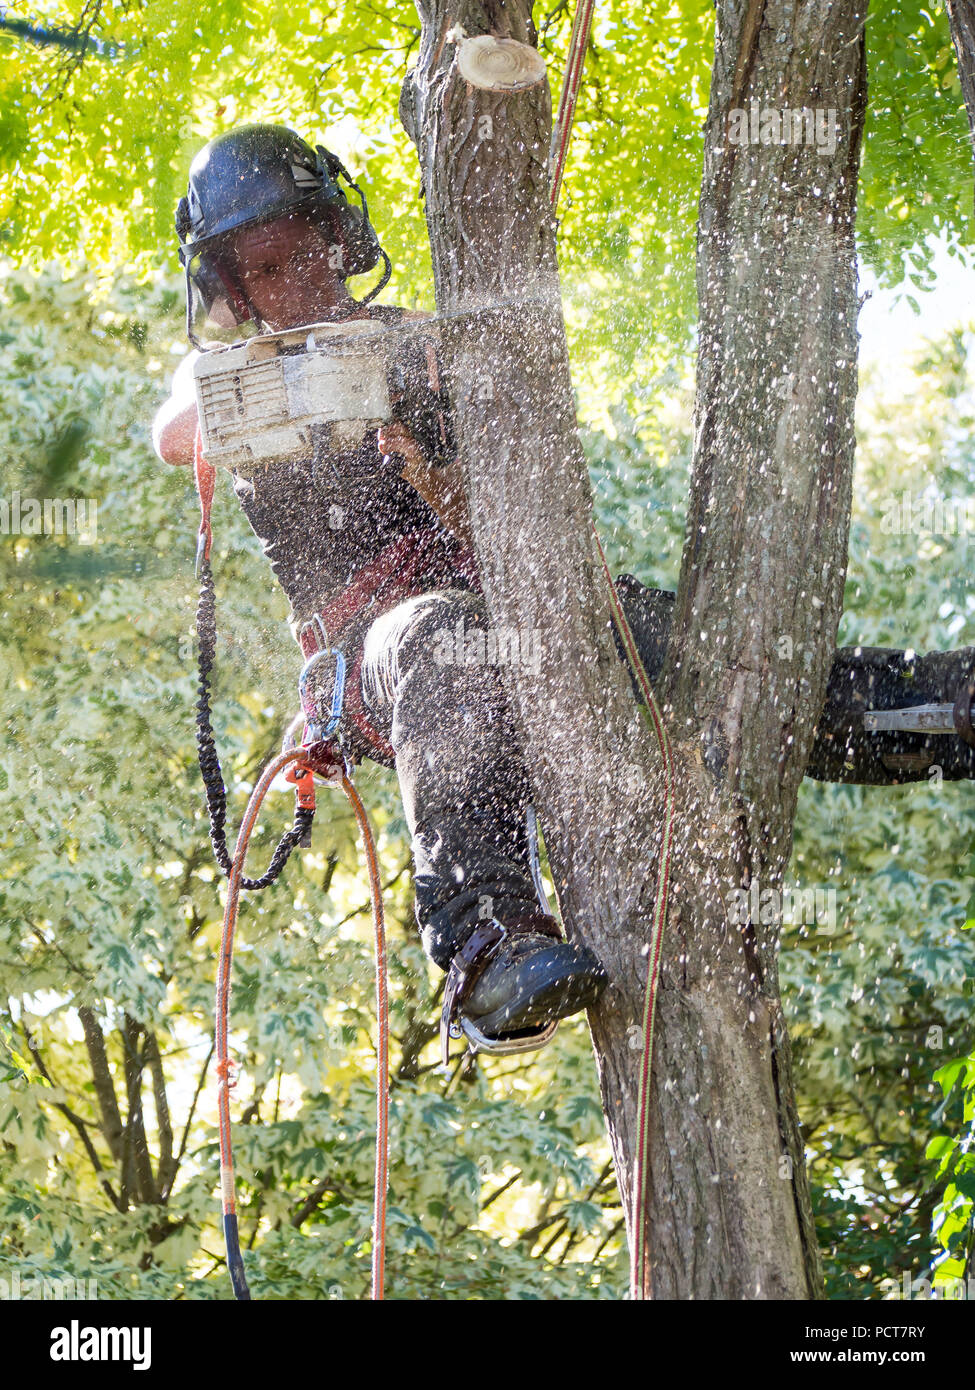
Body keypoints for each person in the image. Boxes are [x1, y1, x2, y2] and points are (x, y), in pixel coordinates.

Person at [153, 124, 608, 1056]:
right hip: (374, 661)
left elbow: (520, 511)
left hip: (511, 612)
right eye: (269, 270)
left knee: (659, 630)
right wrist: (310, 375)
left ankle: (922, 708)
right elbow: (173, 430)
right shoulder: (228, 378)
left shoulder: (422, 345)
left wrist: (421, 411)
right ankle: (488, 949)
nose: (302, 278)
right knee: (433, 636)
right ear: (233, 291)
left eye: (309, 248)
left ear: (341, 235)